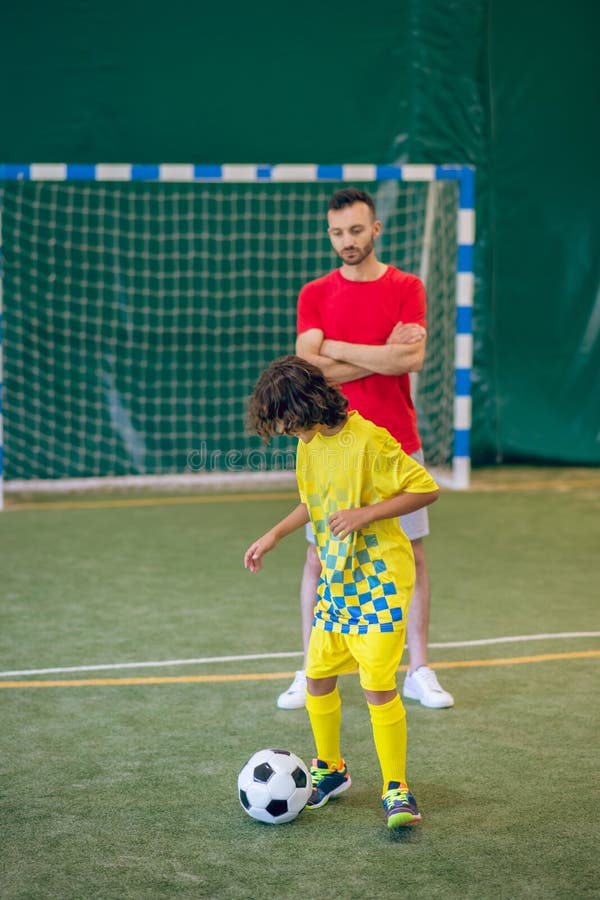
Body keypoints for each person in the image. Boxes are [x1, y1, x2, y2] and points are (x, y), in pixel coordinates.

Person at [277, 186, 454, 711]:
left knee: (413, 557)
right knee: (317, 555)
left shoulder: (406, 286)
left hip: (396, 442)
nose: (347, 241)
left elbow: (410, 362)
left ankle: (418, 669)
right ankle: (312, 664)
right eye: (337, 233)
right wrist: (384, 354)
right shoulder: (314, 293)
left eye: (356, 230)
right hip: (331, 444)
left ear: (375, 229)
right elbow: (310, 369)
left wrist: (333, 348)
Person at [244, 356, 439, 828]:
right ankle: (330, 771)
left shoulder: (370, 439)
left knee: (376, 686)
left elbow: (426, 488)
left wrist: (365, 514)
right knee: (317, 677)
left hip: (380, 583)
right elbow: (312, 503)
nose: (286, 431)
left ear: (307, 405)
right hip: (338, 579)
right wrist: (274, 535)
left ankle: (398, 789)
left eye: (286, 420)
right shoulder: (308, 444)